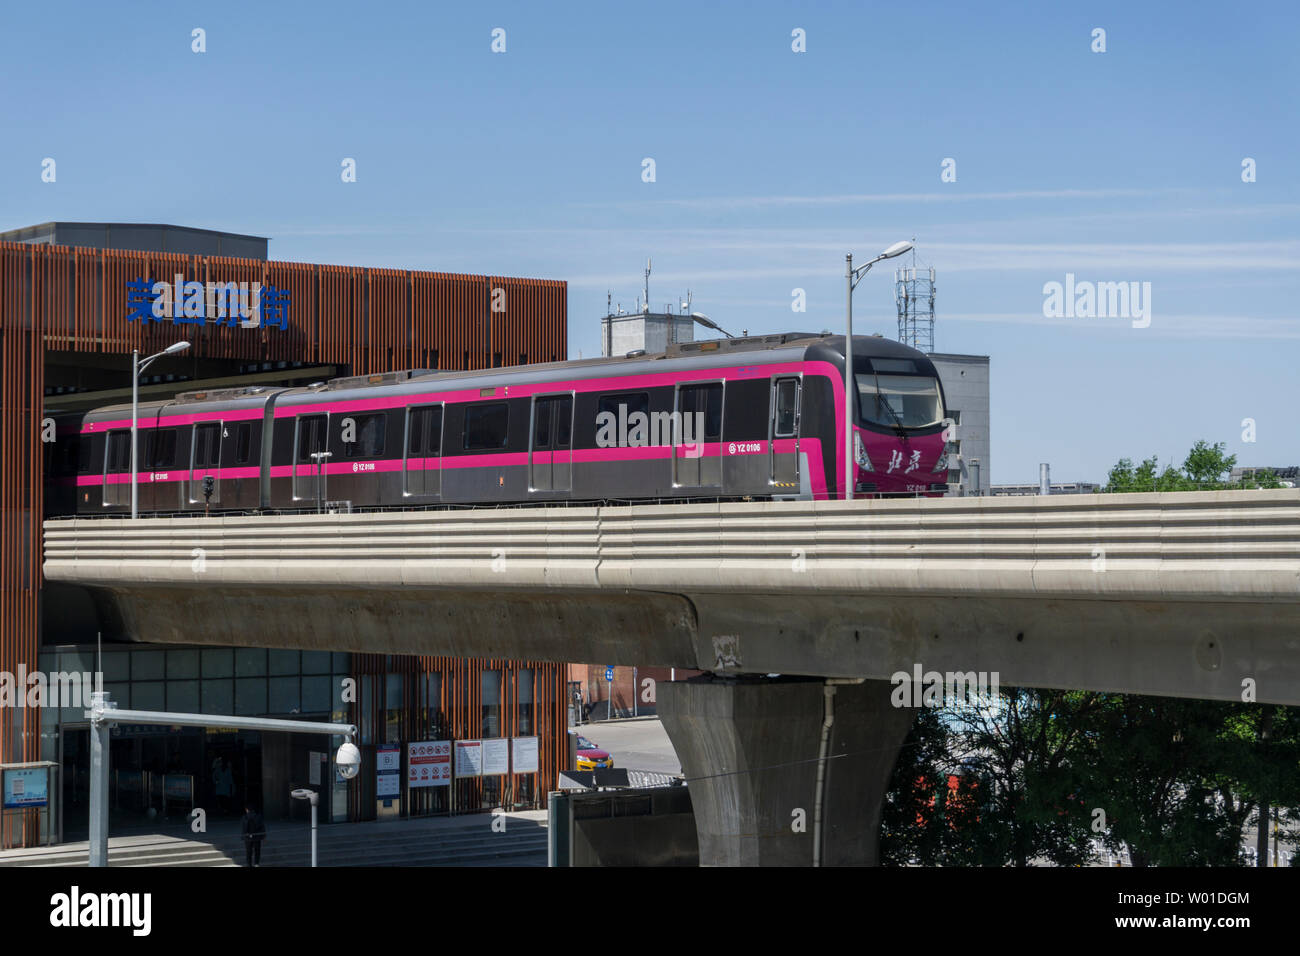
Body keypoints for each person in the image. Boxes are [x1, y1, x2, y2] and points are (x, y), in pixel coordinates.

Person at [241, 803, 267, 867]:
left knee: (249, 852)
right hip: (257, 836)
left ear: (246, 809)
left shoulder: (244, 817)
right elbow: (262, 827)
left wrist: (243, 836)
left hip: (248, 837)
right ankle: (256, 864)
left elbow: (243, 828)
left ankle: (249, 864)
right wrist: (264, 837)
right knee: (257, 851)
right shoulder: (258, 816)